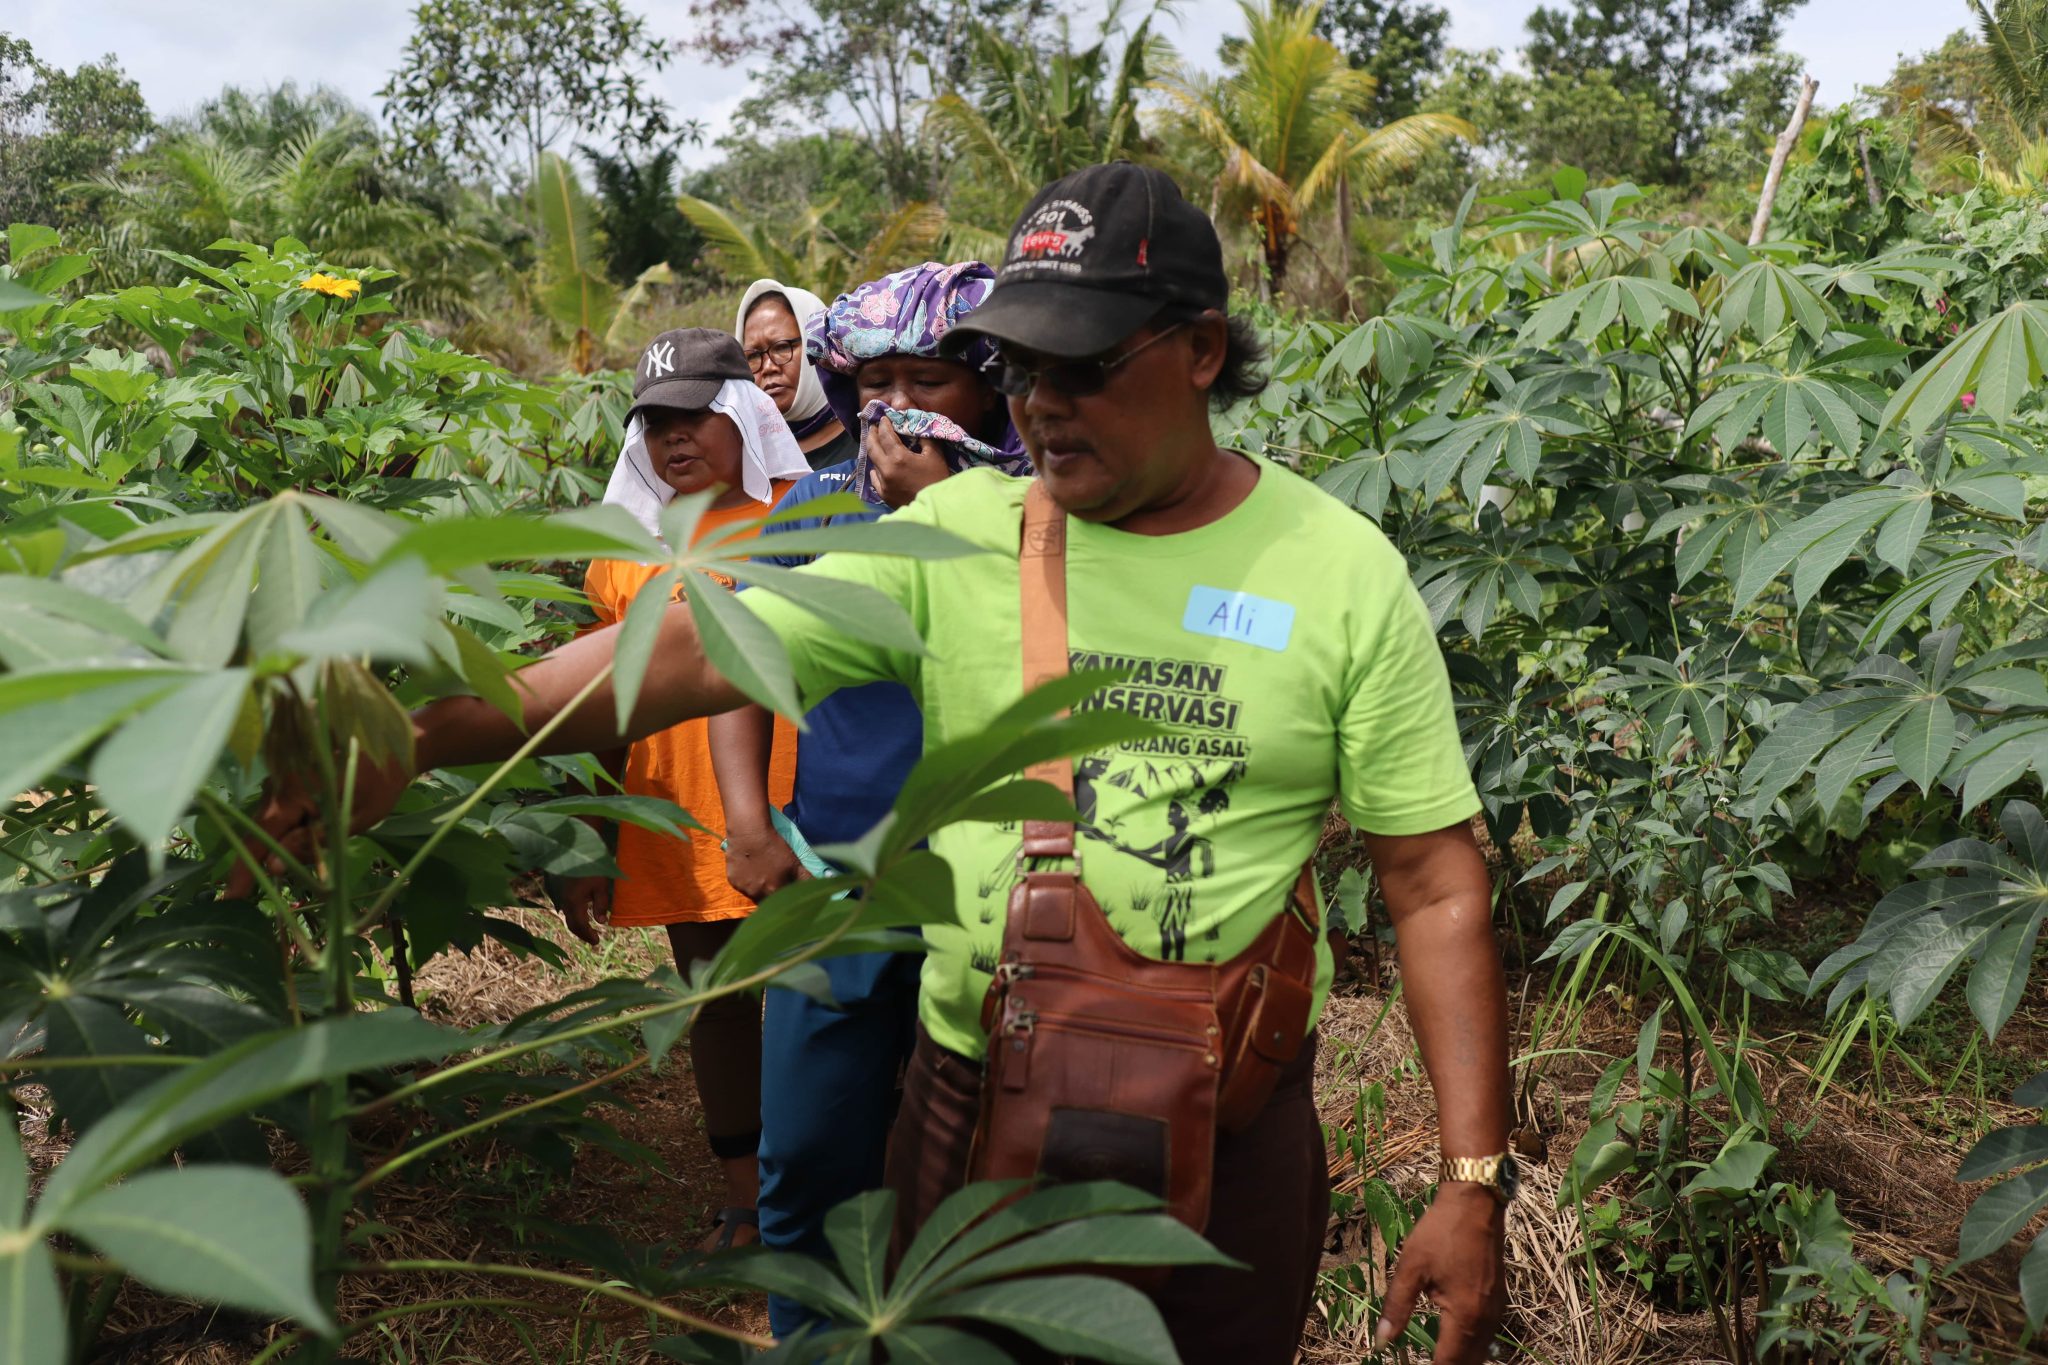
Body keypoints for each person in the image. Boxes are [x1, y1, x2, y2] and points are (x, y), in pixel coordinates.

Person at [239, 165, 1512, 1364]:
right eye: (1018, 366)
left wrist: (1468, 1180)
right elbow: (693, 651)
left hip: (1228, 1131)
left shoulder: (1339, 569)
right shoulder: (959, 533)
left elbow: (1432, 882)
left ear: (1201, 351)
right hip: (975, 1102)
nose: (1042, 402)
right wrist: (423, 737)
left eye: (1084, 363)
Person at [707, 260, 1029, 1338]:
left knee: (978, 1161)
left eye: (929, 379)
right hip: (839, 875)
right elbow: (731, 665)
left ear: (988, 386)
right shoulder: (808, 507)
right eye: (878, 378)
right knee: (806, 1149)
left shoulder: (1046, 519)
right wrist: (748, 825)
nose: (899, 403)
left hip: (997, 887)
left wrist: (945, 507)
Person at [556, 326, 812, 1251]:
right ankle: (746, 1199)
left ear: (743, 413)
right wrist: (588, 836)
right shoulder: (623, 555)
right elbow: (599, 699)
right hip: (677, 819)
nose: (675, 438)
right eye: (656, 421)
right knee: (718, 1005)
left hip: (802, 816)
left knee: (825, 1004)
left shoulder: (811, 516)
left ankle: (824, 1193)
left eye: (696, 416)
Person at [735, 280, 855, 471]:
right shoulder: (748, 465)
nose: (767, 367)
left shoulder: (873, 446)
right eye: (753, 356)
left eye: (782, 347)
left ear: (817, 345)